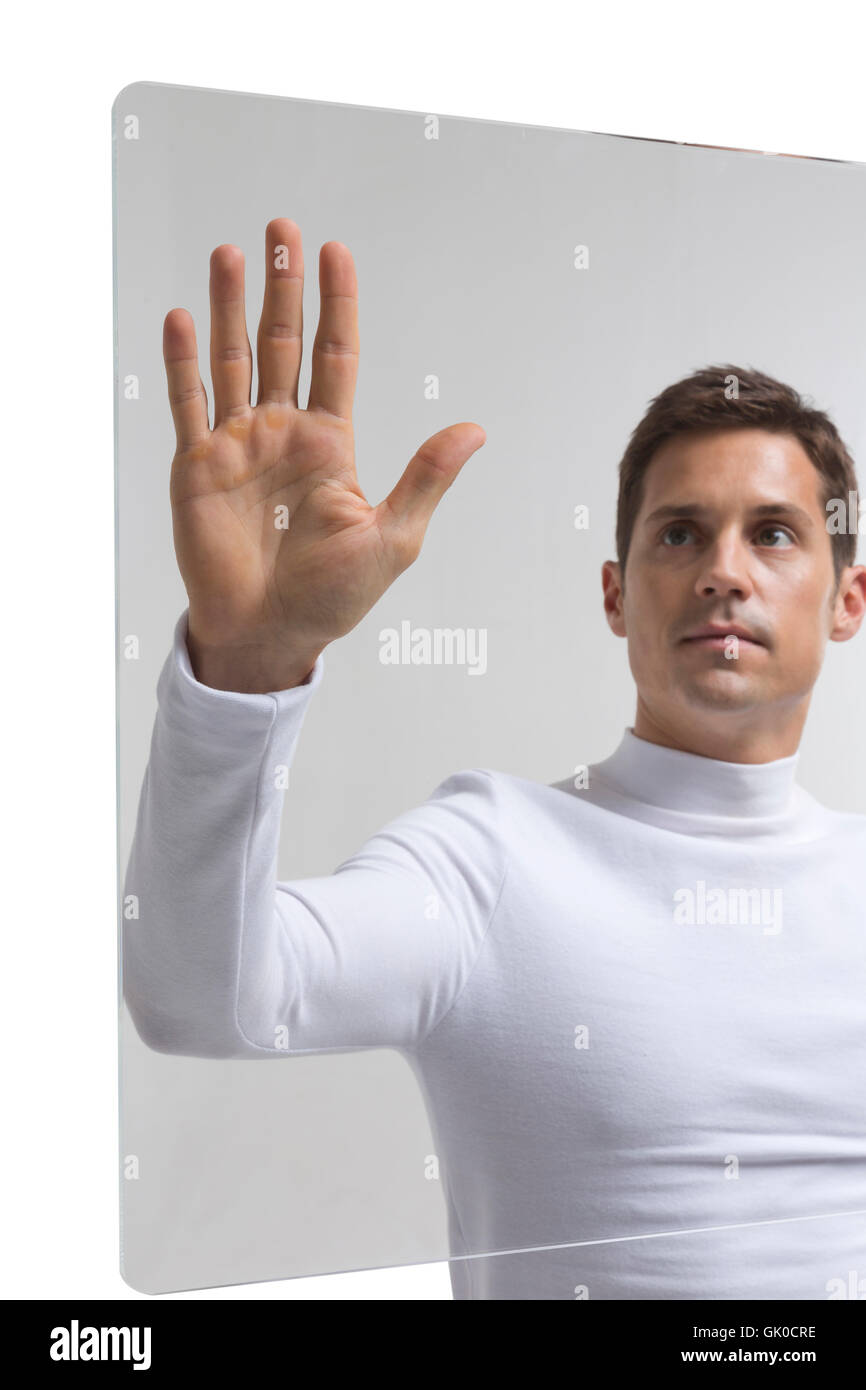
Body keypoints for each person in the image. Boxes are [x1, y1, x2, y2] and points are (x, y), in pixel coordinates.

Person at [123, 217, 866, 1300]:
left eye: (772, 533)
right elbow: (201, 997)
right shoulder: (491, 859)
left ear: (846, 598)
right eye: (676, 533)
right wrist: (246, 666)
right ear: (613, 595)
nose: (721, 572)